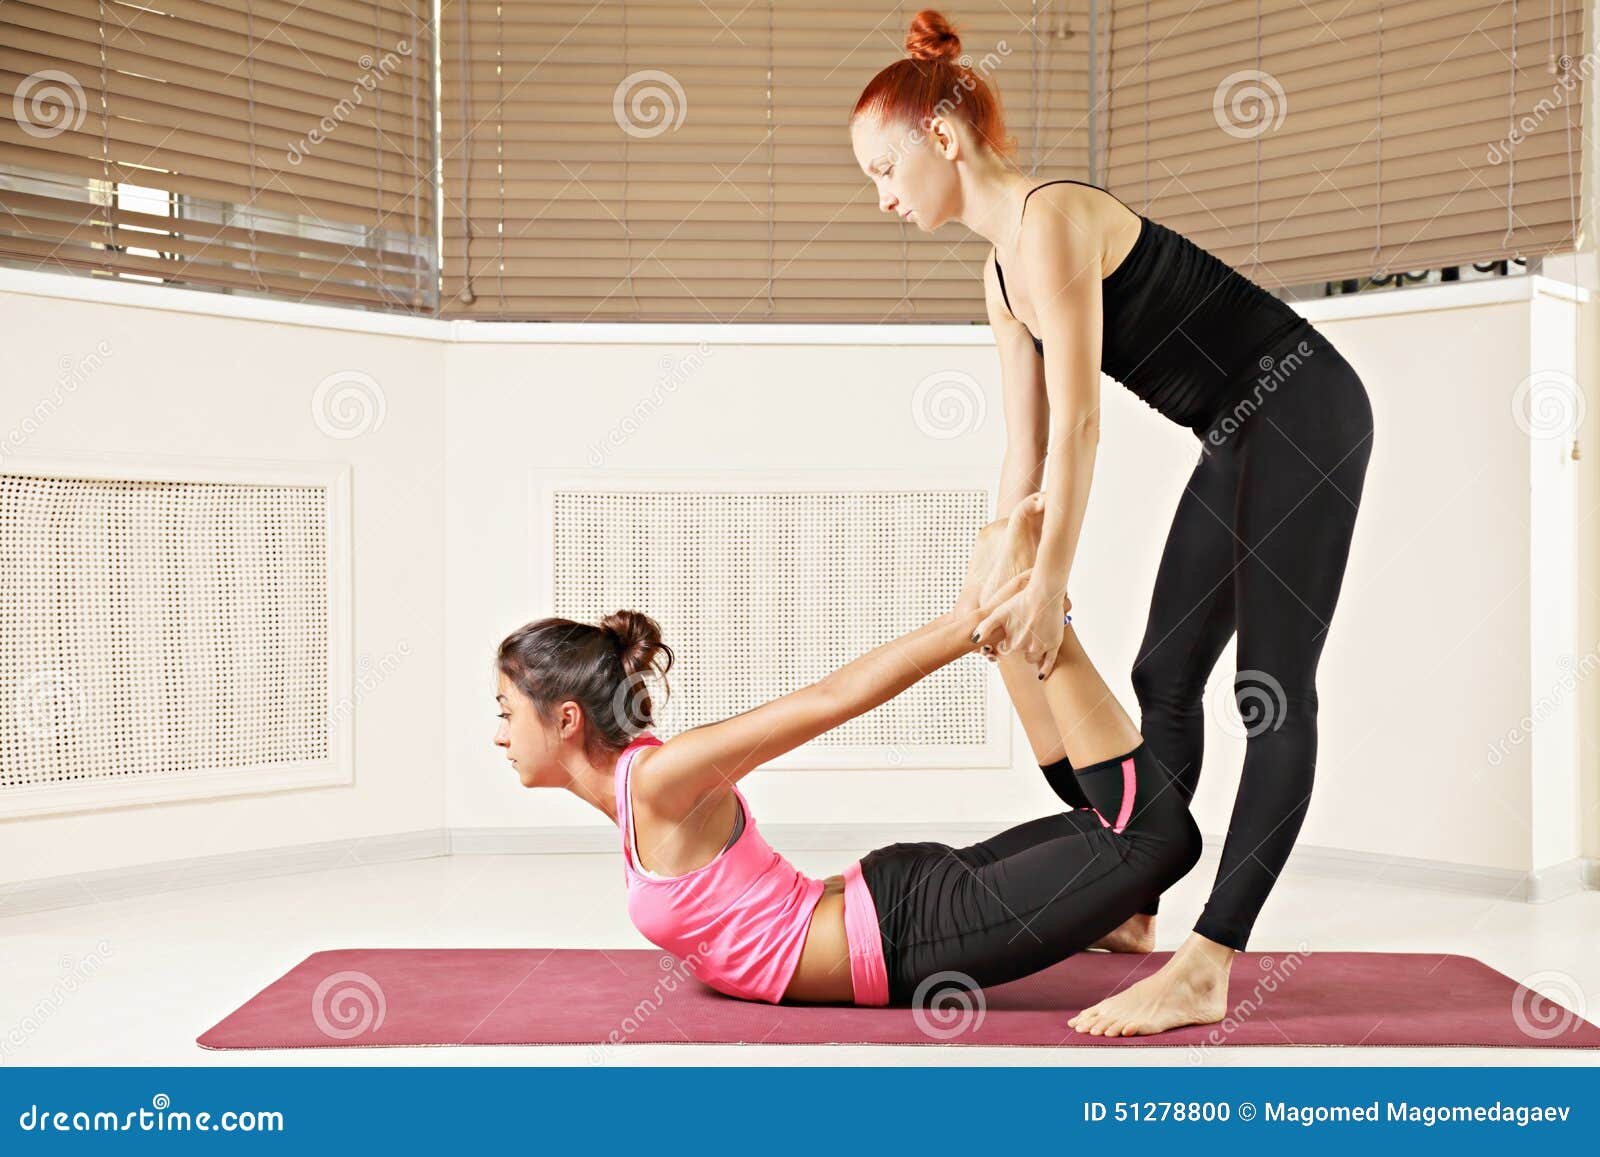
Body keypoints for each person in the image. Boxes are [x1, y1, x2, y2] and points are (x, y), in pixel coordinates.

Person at [848, 10, 1374, 1034]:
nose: (880, 197)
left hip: (1304, 406)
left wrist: (1049, 582)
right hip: (1237, 429)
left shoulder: (1049, 218)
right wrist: (988, 578)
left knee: (1267, 686)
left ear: (941, 142)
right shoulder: (997, 269)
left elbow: (1085, 421)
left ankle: (1210, 959)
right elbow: (1025, 449)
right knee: (1160, 675)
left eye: (882, 169)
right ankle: (1133, 898)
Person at [493, 494, 1202, 1016]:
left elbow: (828, 699)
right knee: (1101, 830)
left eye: (505, 711)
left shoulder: (658, 779)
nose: (499, 735)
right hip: (890, 905)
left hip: (910, 934)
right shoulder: (632, 791)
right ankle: (1121, 917)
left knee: (1155, 836)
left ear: (565, 718)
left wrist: (963, 628)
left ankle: (1028, 612)